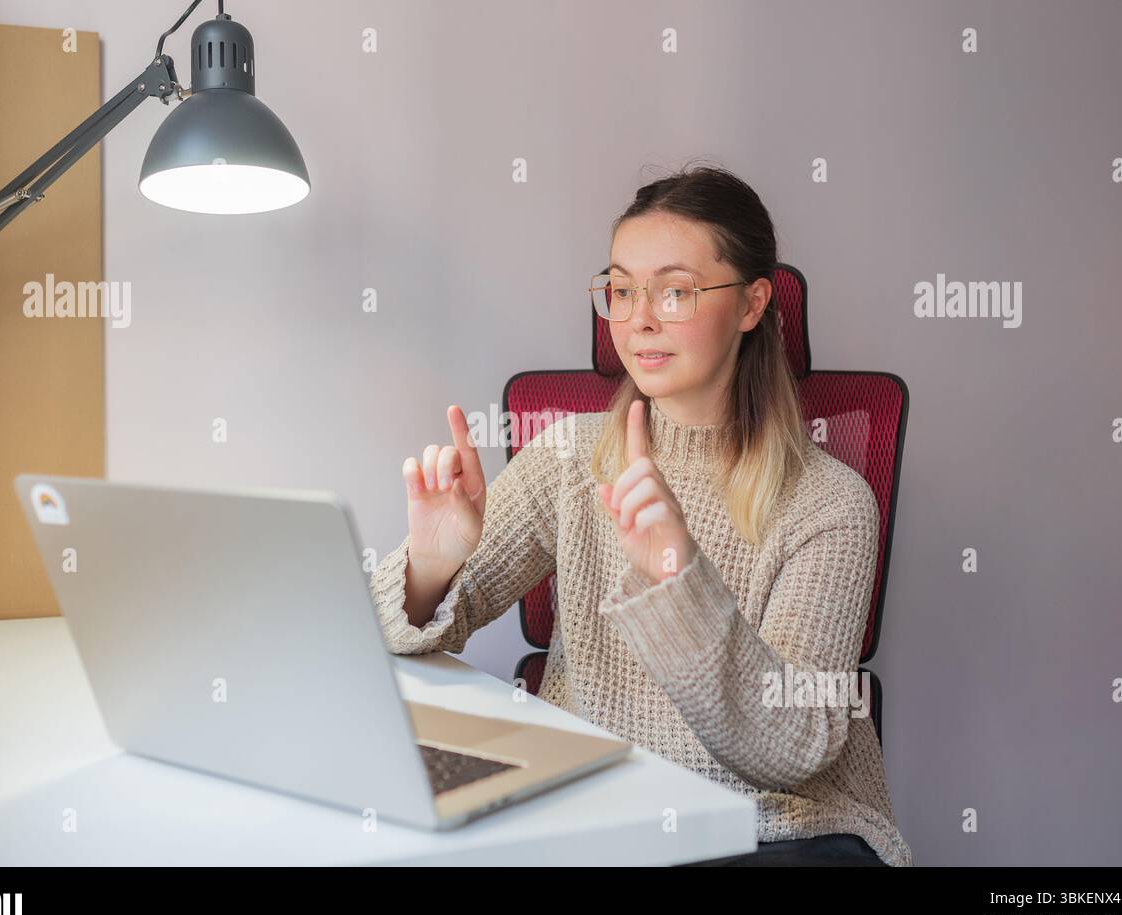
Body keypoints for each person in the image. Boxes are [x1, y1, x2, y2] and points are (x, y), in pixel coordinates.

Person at [368, 162, 912, 866]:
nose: (639, 318)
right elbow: (383, 636)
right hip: (594, 810)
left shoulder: (831, 502)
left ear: (751, 305)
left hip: (776, 828)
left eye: (676, 291)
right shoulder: (569, 457)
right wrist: (433, 566)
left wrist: (678, 580)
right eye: (621, 290)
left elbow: (795, 749)